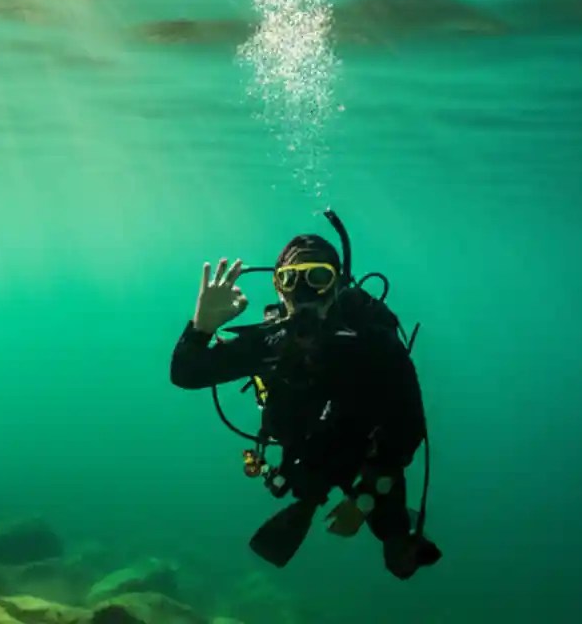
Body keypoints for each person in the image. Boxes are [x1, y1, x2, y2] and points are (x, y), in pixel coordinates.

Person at [168, 231, 442, 580]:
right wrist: (202, 325)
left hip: (370, 454)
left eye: (318, 278)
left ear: (338, 285)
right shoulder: (271, 341)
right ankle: (314, 499)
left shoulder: (374, 344)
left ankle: (387, 523)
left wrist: (364, 499)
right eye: (292, 279)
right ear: (278, 288)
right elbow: (186, 374)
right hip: (303, 454)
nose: (305, 293)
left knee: (399, 560)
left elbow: (408, 429)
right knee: (306, 489)